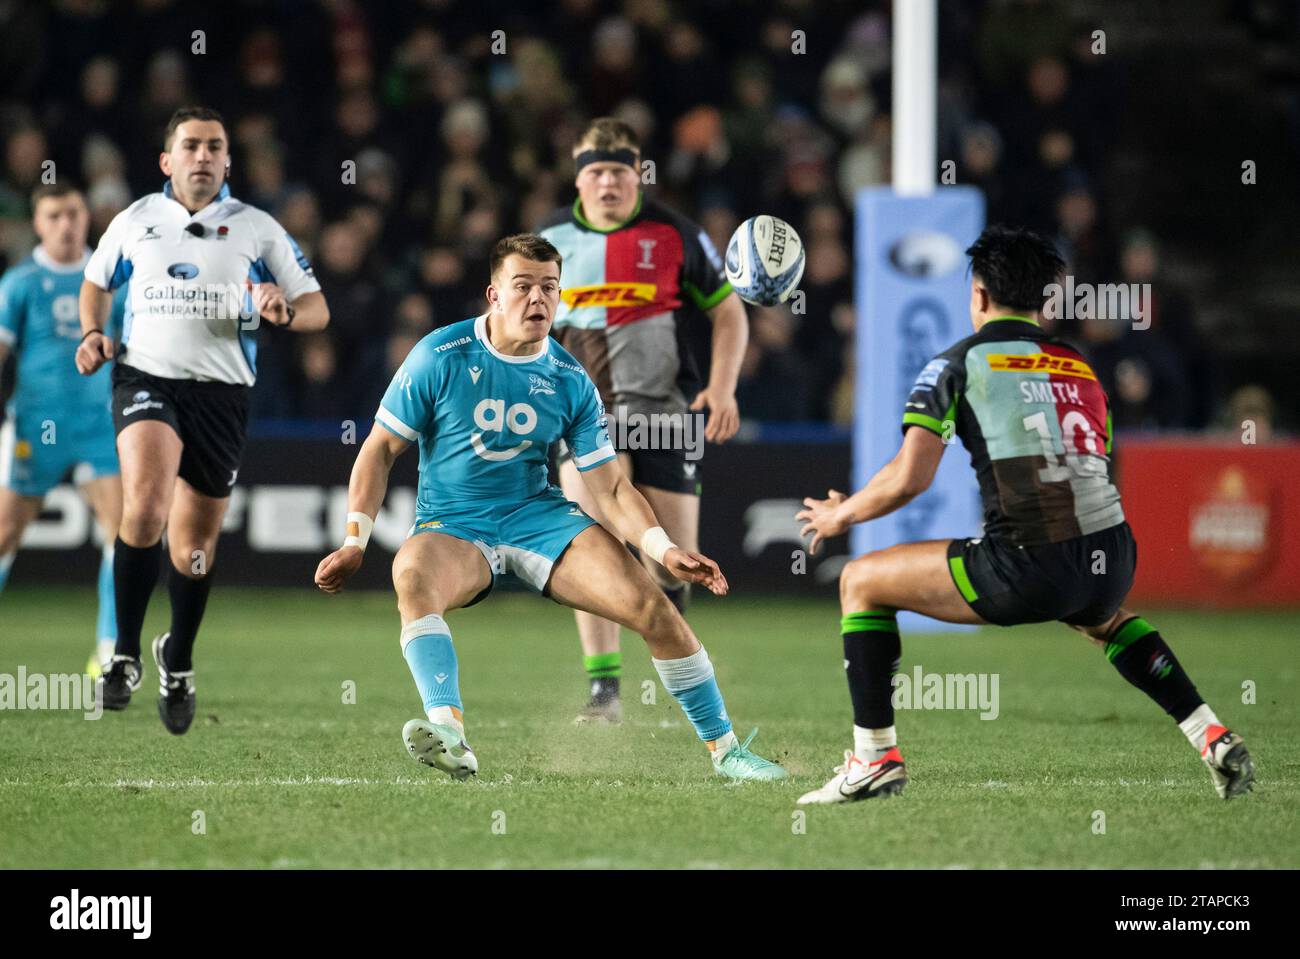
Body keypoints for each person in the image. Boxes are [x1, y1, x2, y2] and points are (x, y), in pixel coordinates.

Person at [795, 225, 1253, 803]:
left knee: (861, 581)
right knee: (1104, 619)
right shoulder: (1079, 365)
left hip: (1030, 566)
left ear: (979, 296)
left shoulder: (957, 365)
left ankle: (875, 759)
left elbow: (910, 477)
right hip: (1110, 555)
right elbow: (1098, 457)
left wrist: (844, 516)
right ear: (1045, 300)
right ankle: (1209, 732)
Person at [313, 233, 783, 782]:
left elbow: (609, 489)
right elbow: (379, 449)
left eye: (550, 288)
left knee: (658, 611)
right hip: (456, 524)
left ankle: (726, 751)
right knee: (413, 575)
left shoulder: (569, 378)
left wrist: (664, 547)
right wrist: (354, 541)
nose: (538, 299)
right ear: (494, 295)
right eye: (523, 287)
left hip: (539, 519)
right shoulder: (438, 355)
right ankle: (450, 733)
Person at [76, 106, 330, 733]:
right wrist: (90, 331)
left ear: (227, 161)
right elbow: (95, 281)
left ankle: (178, 655)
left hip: (222, 394)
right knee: (144, 505)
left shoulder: (256, 228)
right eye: (190, 145)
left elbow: (317, 307)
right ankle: (125, 653)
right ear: (168, 160)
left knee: (193, 549)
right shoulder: (136, 218)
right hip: (146, 378)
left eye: (215, 146)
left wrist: (283, 310)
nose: (203, 156)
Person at [538, 117, 749, 723]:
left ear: (638, 174)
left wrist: (723, 386)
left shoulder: (675, 233)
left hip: (665, 412)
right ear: (579, 180)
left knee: (670, 559)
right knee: (594, 545)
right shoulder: (547, 240)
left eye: (619, 172)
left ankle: (680, 666)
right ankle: (605, 693)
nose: (608, 183)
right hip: (585, 416)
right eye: (596, 172)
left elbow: (729, 311)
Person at [0, 183, 124, 675]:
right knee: (6, 533)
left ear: (87, 217)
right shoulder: (20, 282)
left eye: (73, 214)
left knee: (124, 532)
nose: (65, 225)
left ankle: (110, 651)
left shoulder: (112, 277)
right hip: (35, 425)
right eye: (54, 216)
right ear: (37, 223)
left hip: (100, 426)